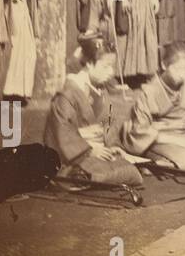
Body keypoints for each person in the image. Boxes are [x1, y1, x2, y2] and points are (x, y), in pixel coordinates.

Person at [43, 35, 143, 187]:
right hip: (73, 155)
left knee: (132, 173)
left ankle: (88, 176)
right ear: (89, 64)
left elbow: (108, 121)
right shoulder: (68, 94)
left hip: (98, 150)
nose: (110, 72)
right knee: (108, 174)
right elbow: (62, 132)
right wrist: (89, 150)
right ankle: (78, 175)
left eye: (112, 66)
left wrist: (113, 145)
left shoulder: (101, 90)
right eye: (105, 66)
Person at [121, 42, 185, 174]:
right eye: (177, 69)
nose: (182, 74)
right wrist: (173, 139)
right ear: (164, 65)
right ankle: (155, 163)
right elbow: (139, 130)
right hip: (157, 140)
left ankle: (162, 165)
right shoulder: (150, 91)